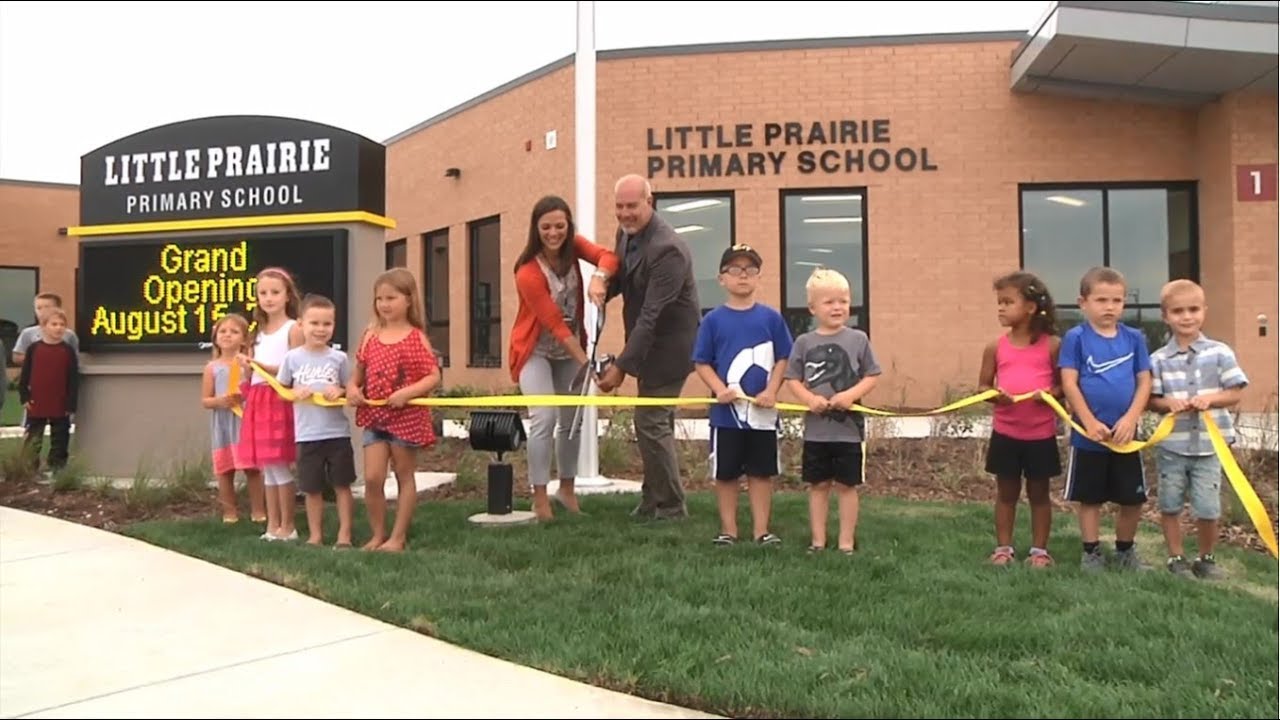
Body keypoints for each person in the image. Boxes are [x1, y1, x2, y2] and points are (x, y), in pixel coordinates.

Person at [597, 174, 702, 521]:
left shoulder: (667, 248)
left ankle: (672, 507)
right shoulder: (627, 236)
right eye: (619, 206)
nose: (625, 213)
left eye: (632, 206)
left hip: (671, 349)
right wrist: (602, 287)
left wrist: (620, 368)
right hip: (647, 345)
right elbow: (626, 280)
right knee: (653, 424)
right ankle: (651, 500)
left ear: (649, 201)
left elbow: (652, 316)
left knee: (651, 422)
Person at [510, 195, 619, 521]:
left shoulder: (575, 248)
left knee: (573, 422)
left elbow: (608, 256)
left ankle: (566, 489)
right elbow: (554, 324)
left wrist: (599, 277)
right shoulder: (528, 272)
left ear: (568, 225)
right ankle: (539, 495)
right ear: (536, 229)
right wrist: (587, 363)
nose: (554, 233)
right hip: (536, 351)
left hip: (569, 350)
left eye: (560, 226)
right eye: (546, 227)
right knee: (544, 417)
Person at [692, 244, 792, 546]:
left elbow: (783, 358)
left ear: (759, 277)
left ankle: (762, 531)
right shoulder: (712, 321)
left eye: (749, 270)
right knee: (726, 474)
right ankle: (729, 531)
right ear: (722, 279)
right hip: (726, 416)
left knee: (762, 473)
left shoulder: (771, 319)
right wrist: (720, 389)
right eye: (735, 270)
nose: (743, 276)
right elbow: (702, 362)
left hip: (762, 415)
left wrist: (772, 390)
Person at [1147, 279, 1248, 580]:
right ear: (1166, 316)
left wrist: (1210, 399)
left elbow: (1236, 391)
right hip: (1172, 447)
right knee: (1170, 503)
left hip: (1209, 448)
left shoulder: (1220, 353)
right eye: (1178, 311)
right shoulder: (1158, 360)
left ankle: (1207, 558)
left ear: (1204, 311)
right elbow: (1152, 399)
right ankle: (1176, 558)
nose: (1186, 317)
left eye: (1193, 309)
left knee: (1208, 507)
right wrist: (1169, 403)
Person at [1058, 266, 1153, 572]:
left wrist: (1130, 419)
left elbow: (1145, 382)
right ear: (1082, 302)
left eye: (1117, 300)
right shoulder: (1076, 337)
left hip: (1126, 437)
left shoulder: (1134, 338)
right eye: (1101, 300)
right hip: (1090, 437)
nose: (1109, 307)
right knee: (1090, 498)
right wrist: (1087, 421)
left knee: (1132, 499)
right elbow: (1069, 382)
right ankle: (1091, 551)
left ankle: (1125, 551)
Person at [784, 268, 880, 555]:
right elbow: (791, 379)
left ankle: (846, 543)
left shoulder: (858, 339)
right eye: (829, 302)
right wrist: (809, 399)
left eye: (843, 301)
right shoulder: (803, 342)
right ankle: (818, 541)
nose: (837, 307)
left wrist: (851, 395)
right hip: (817, 432)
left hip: (849, 432)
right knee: (818, 485)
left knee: (847, 486)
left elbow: (872, 375)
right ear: (813, 308)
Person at [347, 268, 441, 552]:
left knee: (404, 474)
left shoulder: (416, 337)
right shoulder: (370, 336)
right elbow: (357, 375)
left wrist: (407, 393)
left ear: (409, 299)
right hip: (375, 419)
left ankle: (397, 538)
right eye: (379, 299)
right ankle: (377, 534)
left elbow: (432, 375)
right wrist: (352, 389)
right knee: (373, 478)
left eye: (391, 297)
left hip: (406, 419)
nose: (384, 304)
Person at [977, 271, 1063, 568]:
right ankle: (1003, 549)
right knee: (1006, 493)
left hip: (1040, 435)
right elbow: (982, 387)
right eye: (999, 302)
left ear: (1029, 307)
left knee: (1039, 494)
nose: (1000, 308)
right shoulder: (995, 347)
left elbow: (1064, 385)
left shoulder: (1052, 345)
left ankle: (1040, 551)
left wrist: (1049, 394)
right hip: (1006, 433)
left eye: (1007, 302)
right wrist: (994, 395)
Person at [278, 294, 357, 548]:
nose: (321, 329)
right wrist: (294, 393)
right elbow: (281, 390)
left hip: (337, 434)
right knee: (312, 488)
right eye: (314, 323)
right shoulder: (292, 358)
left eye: (327, 324)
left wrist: (341, 391)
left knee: (342, 485)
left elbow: (350, 388)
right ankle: (315, 536)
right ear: (301, 324)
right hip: (307, 435)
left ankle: (344, 536)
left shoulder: (340, 358)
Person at [236, 267, 305, 542]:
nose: (268, 298)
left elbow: (294, 368)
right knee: (267, 467)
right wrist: (246, 370)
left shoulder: (294, 328)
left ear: (287, 295)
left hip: (279, 398)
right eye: (262, 293)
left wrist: (260, 366)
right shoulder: (257, 332)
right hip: (258, 400)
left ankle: (288, 525)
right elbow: (250, 375)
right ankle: (272, 525)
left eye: (275, 292)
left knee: (279, 465)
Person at [200, 313, 254, 523]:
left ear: (244, 338)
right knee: (225, 469)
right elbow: (205, 400)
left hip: (245, 421)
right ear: (215, 337)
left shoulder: (247, 365)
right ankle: (229, 513)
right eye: (223, 331)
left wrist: (243, 396)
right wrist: (221, 401)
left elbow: (255, 388)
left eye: (234, 331)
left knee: (252, 468)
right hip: (222, 424)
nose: (228, 335)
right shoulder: (211, 368)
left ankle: (258, 511)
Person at [17, 308, 78, 476]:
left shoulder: (67, 351)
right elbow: (25, 376)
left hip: (60, 401)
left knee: (60, 437)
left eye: (62, 324)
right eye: (54, 324)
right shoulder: (34, 349)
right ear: (43, 326)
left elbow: (73, 378)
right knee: (34, 436)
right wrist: (25, 396)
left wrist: (71, 402)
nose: (58, 328)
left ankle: (57, 467)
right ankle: (30, 467)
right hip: (37, 401)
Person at [12, 293, 79, 366]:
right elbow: (16, 357)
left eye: (47, 307)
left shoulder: (69, 335)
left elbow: (75, 360)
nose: (42, 311)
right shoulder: (28, 333)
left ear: (58, 309)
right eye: (38, 308)